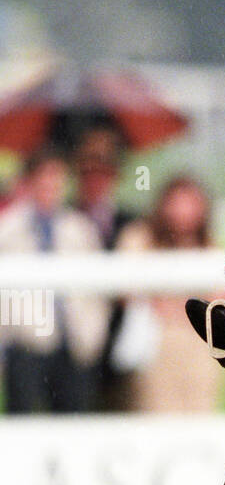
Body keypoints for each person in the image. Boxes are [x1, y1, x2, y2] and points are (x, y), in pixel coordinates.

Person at [0, 148, 107, 413]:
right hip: (26, 345)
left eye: (56, 177)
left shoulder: (80, 228)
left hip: (73, 343)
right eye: (44, 176)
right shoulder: (8, 229)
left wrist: (93, 335)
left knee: (74, 421)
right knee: (23, 419)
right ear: (30, 181)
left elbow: (96, 291)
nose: (51, 184)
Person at [117, 176, 221, 412]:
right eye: (177, 203)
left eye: (190, 203)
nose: (183, 211)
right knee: (156, 411)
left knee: (199, 413)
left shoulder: (209, 244)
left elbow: (222, 299)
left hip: (199, 349)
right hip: (154, 345)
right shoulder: (140, 237)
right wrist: (181, 307)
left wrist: (174, 305)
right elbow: (128, 292)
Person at [71, 124, 139, 411]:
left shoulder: (131, 222)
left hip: (119, 336)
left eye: (104, 171)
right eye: (88, 172)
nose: (96, 180)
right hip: (76, 338)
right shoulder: (63, 218)